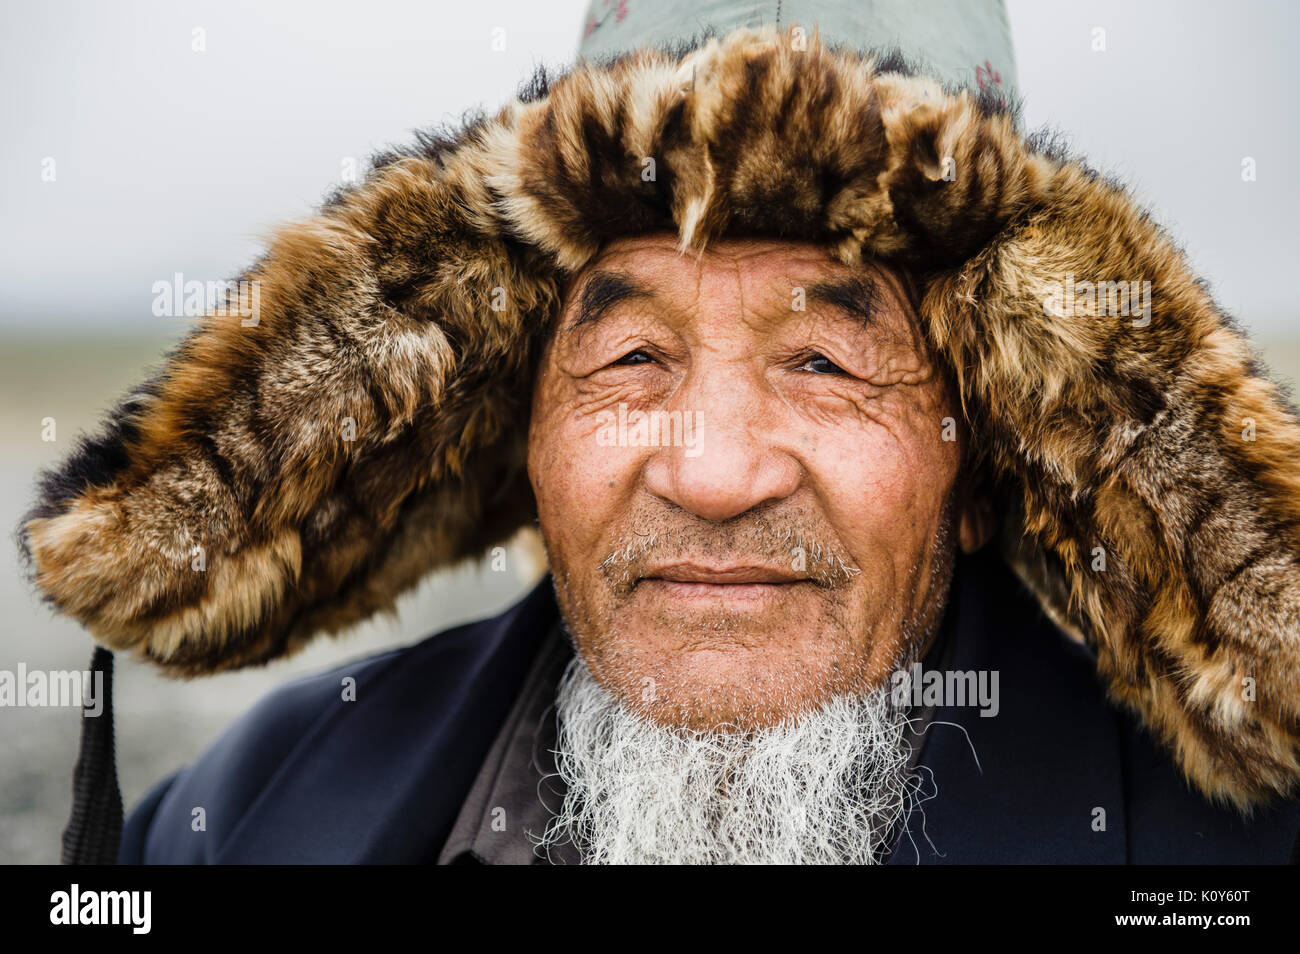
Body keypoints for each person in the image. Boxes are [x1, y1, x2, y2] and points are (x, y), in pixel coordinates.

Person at [21, 6, 1300, 864]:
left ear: (983, 459)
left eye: (826, 361)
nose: (713, 469)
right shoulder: (247, 814)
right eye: (633, 357)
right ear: (521, 432)